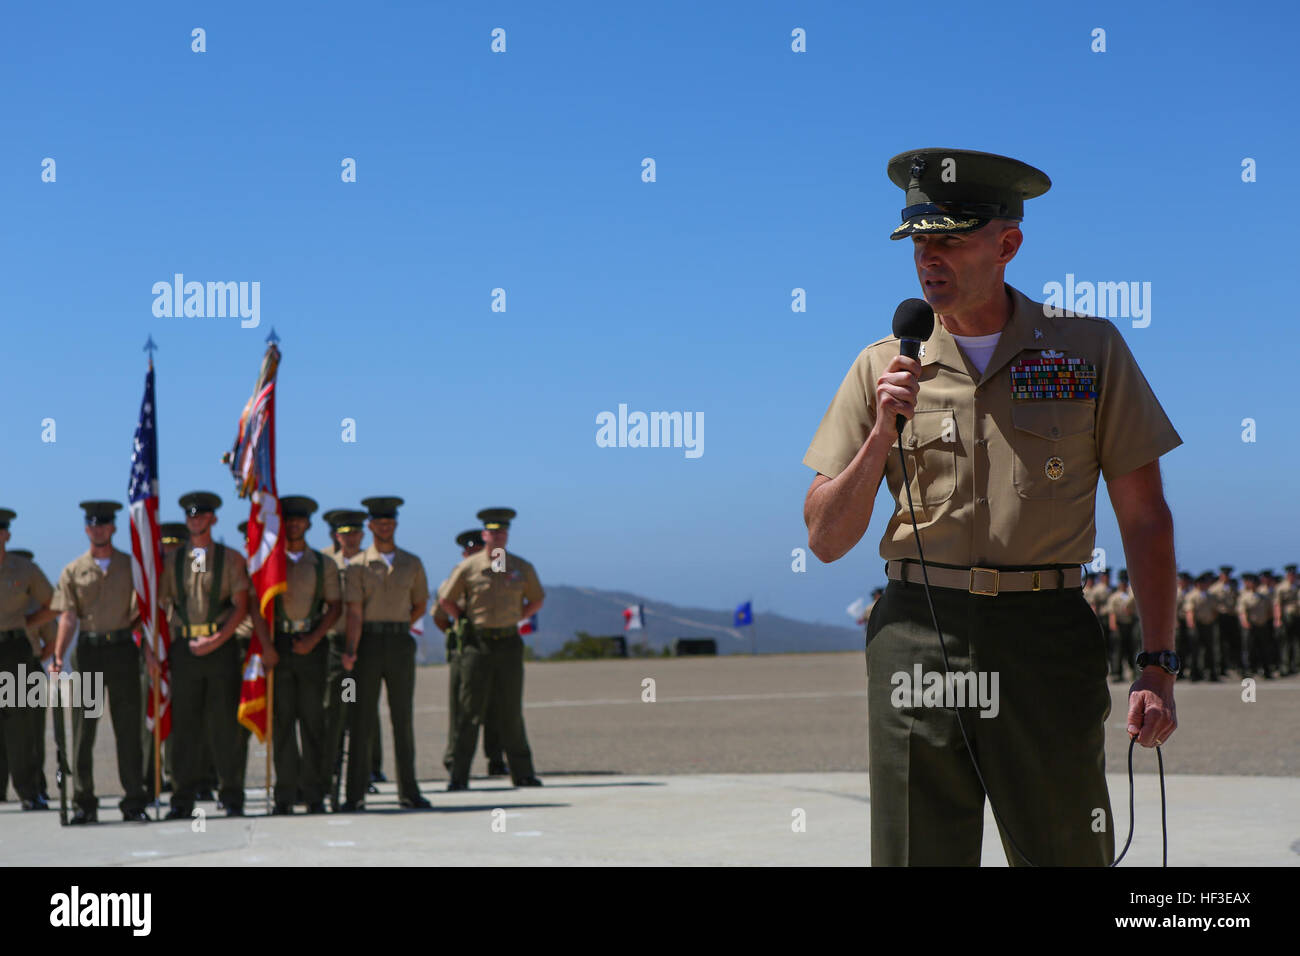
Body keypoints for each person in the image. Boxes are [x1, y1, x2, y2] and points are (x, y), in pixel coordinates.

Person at [801, 148, 1181, 866]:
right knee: (920, 853)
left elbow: (1145, 516)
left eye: (949, 238)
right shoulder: (881, 366)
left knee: (1066, 848)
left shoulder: (1088, 351)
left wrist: (1157, 663)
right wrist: (881, 433)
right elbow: (824, 537)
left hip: (1044, 635)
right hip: (917, 632)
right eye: (919, 241)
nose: (928, 258)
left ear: (1007, 244)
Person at [48, 501, 150, 823]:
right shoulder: (74, 570)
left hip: (122, 651)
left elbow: (145, 608)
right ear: (86, 529)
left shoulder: (130, 566)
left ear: (114, 528)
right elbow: (67, 617)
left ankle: (134, 800)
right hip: (89, 652)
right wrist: (58, 655)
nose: (99, 529)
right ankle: (84, 802)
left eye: (104, 524)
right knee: (83, 731)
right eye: (93, 524)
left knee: (128, 729)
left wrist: (137, 636)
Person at [158, 492, 251, 819]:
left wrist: (217, 639)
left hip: (221, 647)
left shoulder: (231, 559)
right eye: (191, 516)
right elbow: (161, 606)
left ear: (213, 519)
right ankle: (182, 799)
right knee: (184, 728)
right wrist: (157, 651)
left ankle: (231, 795)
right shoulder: (173, 562)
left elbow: (242, 606)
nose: (196, 521)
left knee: (224, 726)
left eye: (202, 516)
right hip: (184, 650)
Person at [440, 507, 545, 791]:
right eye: (492, 531)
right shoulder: (469, 567)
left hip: (509, 642)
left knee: (510, 710)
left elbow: (536, 599)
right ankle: (458, 776)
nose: (497, 536)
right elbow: (446, 599)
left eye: (502, 532)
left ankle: (522, 772)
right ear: (484, 534)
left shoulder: (521, 567)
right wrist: (464, 619)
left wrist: (517, 617)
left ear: (507, 535)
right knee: (469, 711)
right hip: (478, 644)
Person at [339, 497, 430, 810]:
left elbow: (420, 604)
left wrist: (400, 624)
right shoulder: (358, 566)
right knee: (362, 719)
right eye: (379, 523)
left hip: (400, 642)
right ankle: (354, 794)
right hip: (368, 644)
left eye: (390, 523)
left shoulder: (412, 563)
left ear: (395, 525)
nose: (385, 527)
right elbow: (353, 613)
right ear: (371, 526)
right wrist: (350, 650)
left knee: (402, 718)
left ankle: (409, 790)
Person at [269, 496, 340, 814]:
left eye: (300, 520)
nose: (294, 525)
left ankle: (313, 793)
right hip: (279, 644)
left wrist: (313, 639)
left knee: (313, 722)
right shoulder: (269, 562)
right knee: (282, 724)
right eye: (289, 520)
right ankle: (284, 794)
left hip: (311, 646)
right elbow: (258, 606)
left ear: (309, 524)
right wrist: (267, 646)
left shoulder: (323, 563)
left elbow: (334, 605)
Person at [319, 509, 381, 808]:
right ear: (336, 535)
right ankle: (328, 786)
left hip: (362, 651)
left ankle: (356, 790)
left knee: (359, 718)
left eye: (356, 532)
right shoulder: (324, 562)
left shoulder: (373, 564)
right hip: (336, 651)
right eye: (345, 533)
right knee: (335, 717)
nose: (350, 537)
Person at [436, 529, 507, 777]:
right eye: (469, 550)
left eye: (477, 548)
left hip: (488, 646)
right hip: (463, 650)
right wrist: (459, 630)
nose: (473, 553)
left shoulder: (493, 574)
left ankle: (496, 758)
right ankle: (453, 758)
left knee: (496, 707)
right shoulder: (455, 578)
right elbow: (439, 614)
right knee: (462, 709)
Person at [0, 509, 57, 810]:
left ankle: (29, 791)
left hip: (13, 648)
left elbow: (54, 603)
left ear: (7, 535)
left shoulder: (24, 569)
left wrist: (29, 621)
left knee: (20, 725)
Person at [1237, 572, 1276, 679]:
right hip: (1250, 626)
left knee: (1264, 649)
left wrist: (1266, 621)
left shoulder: (1264, 597)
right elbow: (1242, 612)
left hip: (1262, 625)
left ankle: (1266, 670)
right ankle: (1248, 670)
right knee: (1248, 649)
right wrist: (1245, 623)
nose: (1253, 585)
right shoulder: (1244, 597)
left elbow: (1269, 611)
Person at [1183, 572, 1220, 682]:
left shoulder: (1211, 596)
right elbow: (1189, 611)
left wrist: (1212, 621)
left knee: (1210, 650)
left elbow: (1215, 610)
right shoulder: (1192, 596)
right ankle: (1194, 674)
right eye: (1203, 583)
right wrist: (1191, 626)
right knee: (1195, 651)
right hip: (1197, 625)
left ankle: (1211, 673)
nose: (1205, 585)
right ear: (1198, 584)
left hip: (1208, 624)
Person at [1106, 569, 1140, 683]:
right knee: (1118, 650)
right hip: (1120, 625)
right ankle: (1116, 673)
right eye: (1122, 582)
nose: (1124, 584)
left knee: (1133, 649)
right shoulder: (1115, 597)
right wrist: (1114, 628)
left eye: (1126, 582)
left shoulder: (1131, 594)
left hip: (1131, 624)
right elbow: (1112, 613)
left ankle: (1135, 672)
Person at [1209, 565, 1241, 677]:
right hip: (1221, 617)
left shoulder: (1233, 586)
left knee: (1234, 643)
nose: (1226, 577)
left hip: (1232, 616)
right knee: (1220, 643)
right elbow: (1212, 604)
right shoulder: (1215, 588)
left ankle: (1234, 665)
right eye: (1224, 574)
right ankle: (1221, 667)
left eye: (1228, 575)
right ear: (1220, 575)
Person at [1275, 563, 1300, 676]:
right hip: (1287, 617)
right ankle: (1286, 665)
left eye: (1293, 574)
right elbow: (1278, 604)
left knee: (1297, 642)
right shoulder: (1281, 587)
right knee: (1286, 642)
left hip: (1298, 616)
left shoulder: (1298, 585)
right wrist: (1278, 619)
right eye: (1290, 574)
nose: (1292, 576)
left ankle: (1296, 665)